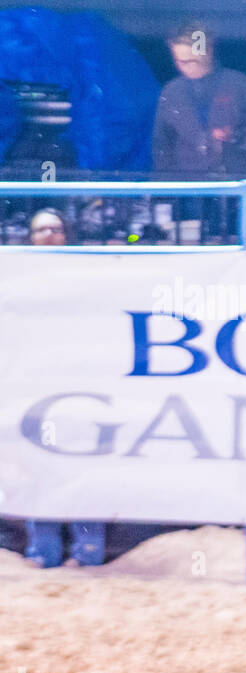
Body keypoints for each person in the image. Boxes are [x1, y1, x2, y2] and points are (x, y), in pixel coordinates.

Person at [23, 209, 107, 568]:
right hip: (30, 388)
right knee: (37, 470)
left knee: (84, 469)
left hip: (79, 387)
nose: (49, 235)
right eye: (41, 229)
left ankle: (88, 552)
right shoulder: (16, 276)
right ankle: (45, 552)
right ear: (30, 236)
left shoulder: (83, 276)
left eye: (56, 229)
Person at [152, 21, 246, 177]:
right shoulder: (172, 92)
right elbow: (161, 147)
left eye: (189, 61)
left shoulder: (243, 86)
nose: (182, 67)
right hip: (189, 189)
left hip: (236, 187)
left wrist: (235, 135)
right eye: (178, 61)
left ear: (208, 52)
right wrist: (164, 193)